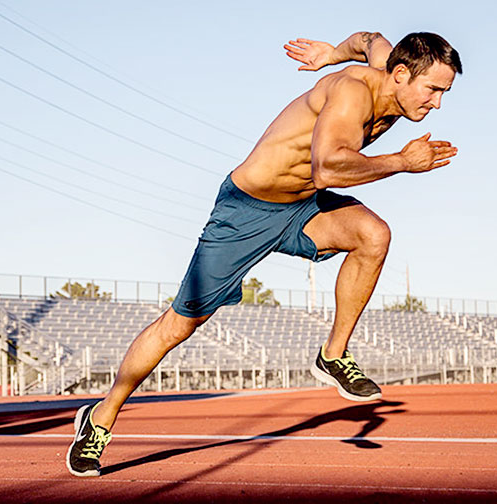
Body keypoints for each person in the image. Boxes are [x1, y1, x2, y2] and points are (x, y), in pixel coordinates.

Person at [67, 31, 462, 477]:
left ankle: (333, 355)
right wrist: (402, 162)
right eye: (434, 90)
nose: (438, 104)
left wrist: (330, 52)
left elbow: (369, 38)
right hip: (247, 209)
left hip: (302, 206)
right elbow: (328, 167)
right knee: (180, 324)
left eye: (445, 92)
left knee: (373, 234)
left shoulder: (387, 61)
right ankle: (100, 418)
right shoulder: (353, 93)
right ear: (402, 74)